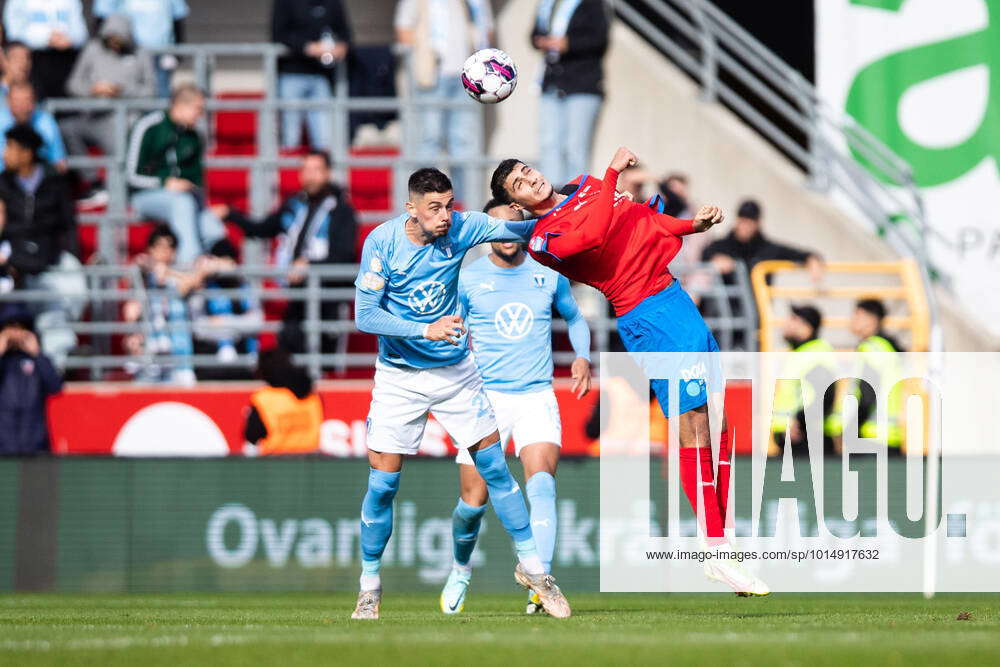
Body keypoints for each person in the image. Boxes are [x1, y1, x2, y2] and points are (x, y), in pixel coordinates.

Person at [490, 146, 769, 595]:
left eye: (528, 170)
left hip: (674, 298)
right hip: (645, 314)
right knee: (691, 425)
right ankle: (716, 550)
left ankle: (723, 539)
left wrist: (690, 226)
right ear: (518, 203)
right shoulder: (544, 238)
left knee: (717, 422)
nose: (531, 179)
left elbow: (642, 220)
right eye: (519, 183)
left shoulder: (585, 186)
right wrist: (611, 173)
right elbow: (595, 235)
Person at [351, 167, 570, 619]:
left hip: (456, 373)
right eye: (434, 207)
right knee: (383, 484)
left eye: (448, 204)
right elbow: (365, 315)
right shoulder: (383, 242)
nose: (445, 215)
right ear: (410, 208)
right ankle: (369, 585)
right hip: (399, 376)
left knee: (496, 470)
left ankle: (535, 570)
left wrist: (580, 207)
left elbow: (524, 227)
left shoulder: (464, 226)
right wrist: (424, 329)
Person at [439, 200, 592, 616]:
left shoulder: (548, 274)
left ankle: (538, 587)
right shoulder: (468, 279)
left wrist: (581, 355)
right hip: (485, 399)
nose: (508, 236)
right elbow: (452, 327)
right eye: (499, 229)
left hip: (536, 395)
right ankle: (460, 568)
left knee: (542, 485)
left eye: (515, 227)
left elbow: (576, 318)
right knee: (472, 502)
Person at [224, 150, 358, 354]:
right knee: (290, 352)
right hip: (297, 296)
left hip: (327, 299)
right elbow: (262, 229)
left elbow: (344, 257)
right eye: (305, 169)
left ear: (327, 173)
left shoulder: (342, 211)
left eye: (316, 170)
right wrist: (230, 214)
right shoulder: (294, 205)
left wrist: (310, 266)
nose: (310, 175)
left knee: (318, 357)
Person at [0, 124, 83, 368]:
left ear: (26, 153)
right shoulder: (3, 182)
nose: (5, 154)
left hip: (48, 260)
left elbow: (68, 225)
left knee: (71, 287)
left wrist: (67, 253)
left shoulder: (54, 183)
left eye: (10, 148)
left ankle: (57, 366)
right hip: (14, 262)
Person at [394, 0, 493, 203]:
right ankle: (423, 204)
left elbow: (486, 30)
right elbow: (403, 30)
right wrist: (424, 52)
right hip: (430, 78)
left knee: (464, 147)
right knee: (427, 143)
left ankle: (466, 209)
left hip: (465, 78)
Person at [126, 84, 227, 266]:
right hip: (144, 196)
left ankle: (189, 272)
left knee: (213, 230)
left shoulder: (194, 136)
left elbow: (197, 180)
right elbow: (132, 175)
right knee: (183, 203)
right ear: (181, 106)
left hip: (184, 199)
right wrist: (164, 183)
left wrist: (197, 196)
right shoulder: (149, 126)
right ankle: (187, 269)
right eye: (198, 109)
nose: (200, 115)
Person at [62, 13, 155, 200]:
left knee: (119, 133)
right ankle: (94, 182)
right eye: (111, 39)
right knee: (66, 128)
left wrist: (121, 91)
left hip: (124, 117)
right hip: (92, 116)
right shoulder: (92, 50)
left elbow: (151, 92)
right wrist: (93, 89)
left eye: (118, 39)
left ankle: (123, 187)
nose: (114, 43)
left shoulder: (140, 53)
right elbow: (72, 84)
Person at [532, 0, 610, 188]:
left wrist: (569, 44)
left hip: (582, 84)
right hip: (552, 82)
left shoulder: (592, 4)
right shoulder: (548, 4)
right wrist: (542, 41)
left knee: (575, 147)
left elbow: (600, 39)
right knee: (549, 144)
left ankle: (575, 197)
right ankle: (552, 197)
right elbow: (534, 33)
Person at [122, 224, 199, 385]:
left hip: (179, 360)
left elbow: (193, 281)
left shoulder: (178, 277)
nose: (165, 251)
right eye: (159, 246)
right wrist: (150, 269)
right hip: (149, 359)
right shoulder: (142, 276)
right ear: (150, 249)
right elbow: (134, 272)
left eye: (170, 247)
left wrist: (167, 272)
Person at [272, 0, 352, 151]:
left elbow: (345, 34)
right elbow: (278, 34)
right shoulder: (285, 3)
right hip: (291, 74)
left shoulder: (333, 3)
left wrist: (340, 47)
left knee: (324, 138)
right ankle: (288, 173)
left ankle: (322, 173)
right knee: (290, 135)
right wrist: (308, 47)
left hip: (321, 75)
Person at [836, 298, 906, 453]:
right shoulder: (886, 347)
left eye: (857, 315)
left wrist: (848, 431)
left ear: (872, 319)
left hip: (871, 438)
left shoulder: (872, 348)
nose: (852, 320)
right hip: (886, 437)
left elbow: (867, 394)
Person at [188, 239, 262, 379]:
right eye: (220, 261)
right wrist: (237, 328)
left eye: (229, 261)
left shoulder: (244, 287)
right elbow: (199, 328)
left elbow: (256, 322)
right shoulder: (203, 287)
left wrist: (223, 322)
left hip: (243, 366)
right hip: (210, 366)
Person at [770, 304, 837, 456]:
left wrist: (800, 423)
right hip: (795, 439)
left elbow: (826, 395)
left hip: (806, 439)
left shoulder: (815, 353)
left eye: (793, 319)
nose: (786, 324)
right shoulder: (801, 353)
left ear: (807, 326)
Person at [93, 0, 190, 98]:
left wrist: (177, 53)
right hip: (129, 53)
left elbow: (178, 18)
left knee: (160, 93)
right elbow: (102, 16)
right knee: (127, 91)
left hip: (160, 52)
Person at [0, 309, 63, 456]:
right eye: (10, 328)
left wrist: (37, 354)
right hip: (3, 446)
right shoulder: (3, 362)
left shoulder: (37, 361)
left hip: (35, 445)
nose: (15, 334)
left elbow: (55, 386)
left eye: (20, 328)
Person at [244, 348, 323, 456]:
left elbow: (252, 435)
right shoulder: (312, 394)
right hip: (311, 461)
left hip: (277, 462)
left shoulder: (264, 398)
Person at [2, 0, 87, 100]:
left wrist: (69, 40)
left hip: (65, 60)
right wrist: (45, 39)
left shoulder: (71, 2)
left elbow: (81, 34)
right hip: (34, 61)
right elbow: (13, 33)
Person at [0, 81, 67, 171]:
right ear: (8, 101)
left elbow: (59, 162)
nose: (22, 106)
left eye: (27, 100)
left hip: (39, 179)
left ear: (34, 101)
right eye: (17, 101)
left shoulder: (45, 121)